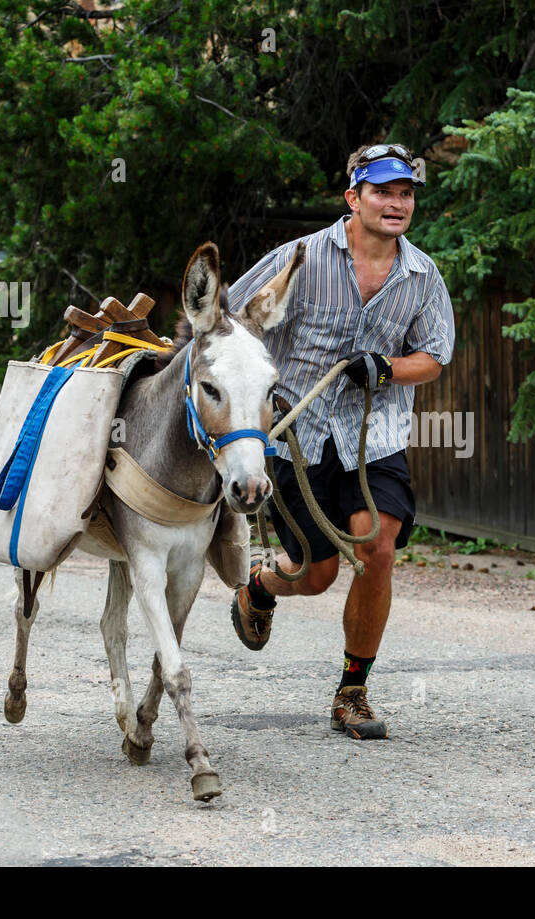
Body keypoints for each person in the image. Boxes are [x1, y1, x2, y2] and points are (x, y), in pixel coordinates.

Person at [226, 143, 456, 739]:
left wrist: (386, 368)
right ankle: (260, 585)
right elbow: (231, 318)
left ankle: (353, 692)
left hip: (372, 439)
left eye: (406, 193)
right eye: (383, 192)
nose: (397, 203)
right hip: (296, 439)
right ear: (353, 198)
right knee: (318, 573)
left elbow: (434, 356)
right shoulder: (297, 259)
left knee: (376, 546)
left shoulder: (422, 276)